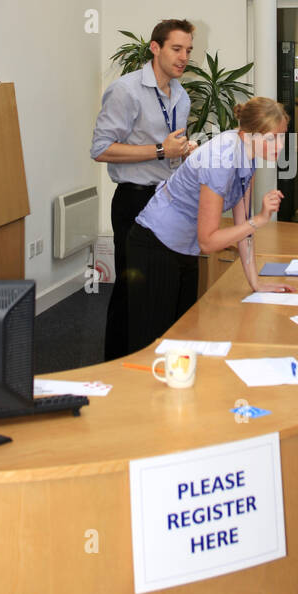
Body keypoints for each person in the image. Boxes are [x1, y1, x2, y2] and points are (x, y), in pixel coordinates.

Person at [126, 97, 293, 353]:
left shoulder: (248, 154)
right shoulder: (221, 160)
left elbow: (243, 227)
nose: (280, 145)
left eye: (282, 136)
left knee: (181, 336)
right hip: (155, 244)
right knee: (151, 343)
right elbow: (210, 240)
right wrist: (258, 220)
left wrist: (256, 283)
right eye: (272, 138)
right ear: (248, 134)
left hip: (184, 246)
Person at [91, 19, 196, 360]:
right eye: (176, 49)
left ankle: (158, 360)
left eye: (189, 50)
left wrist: (183, 154)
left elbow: (171, 149)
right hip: (135, 200)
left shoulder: (181, 96)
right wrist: (161, 150)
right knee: (131, 288)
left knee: (167, 288)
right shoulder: (126, 90)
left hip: (169, 200)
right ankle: (116, 366)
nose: (184, 57)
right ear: (155, 48)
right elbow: (101, 149)